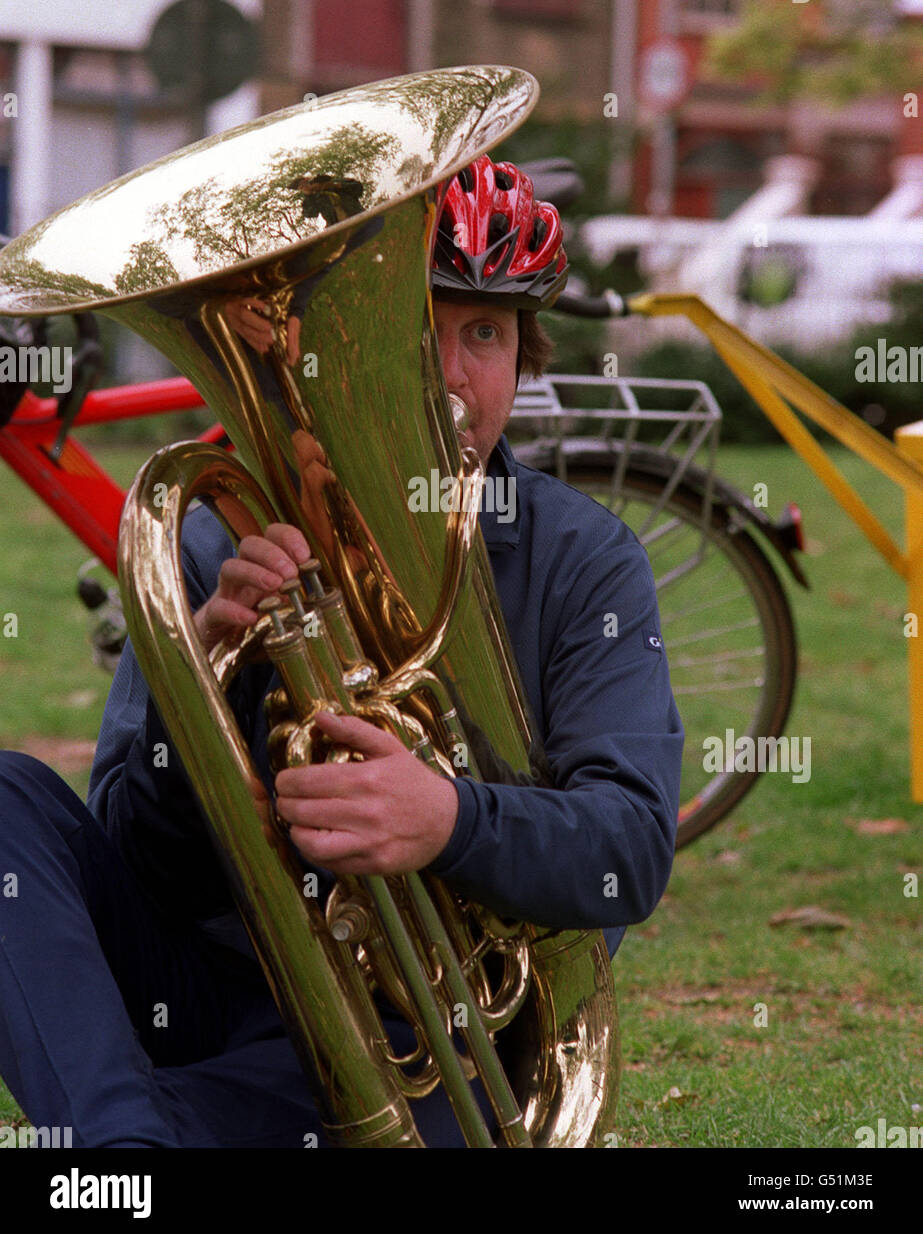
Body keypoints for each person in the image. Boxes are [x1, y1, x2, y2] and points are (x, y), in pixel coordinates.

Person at [0, 156, 683, 1147]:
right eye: (415, 329)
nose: (450, 378)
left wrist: (449, 820)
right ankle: (134, 1143)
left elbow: (626, 851)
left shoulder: (583, 562)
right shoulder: (216, 535)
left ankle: (127, 1141)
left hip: (444, 1043)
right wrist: (194, 681)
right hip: (222, 992)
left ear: (521, 360)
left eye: (483, 334)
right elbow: (136, 864)